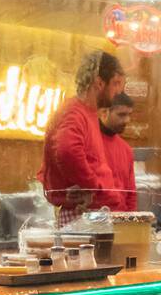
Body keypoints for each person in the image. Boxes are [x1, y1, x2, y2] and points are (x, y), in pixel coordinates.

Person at [39, 52, 127, 227]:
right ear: (99, 83)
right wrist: (93, 187)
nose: (119, 91)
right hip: (82, 218)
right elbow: (67, 151)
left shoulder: (88, 113)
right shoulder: (74, 113)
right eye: (116, 83)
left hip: (91, 216)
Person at [99, 92, 137, 212]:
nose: (127, 120)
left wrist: (131, 224)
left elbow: (131, 194)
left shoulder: (126, 149)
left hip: (121, 222)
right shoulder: (88, 142)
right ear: (104, 113)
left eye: (129, 114)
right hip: (92, 220)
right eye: (121, 115)